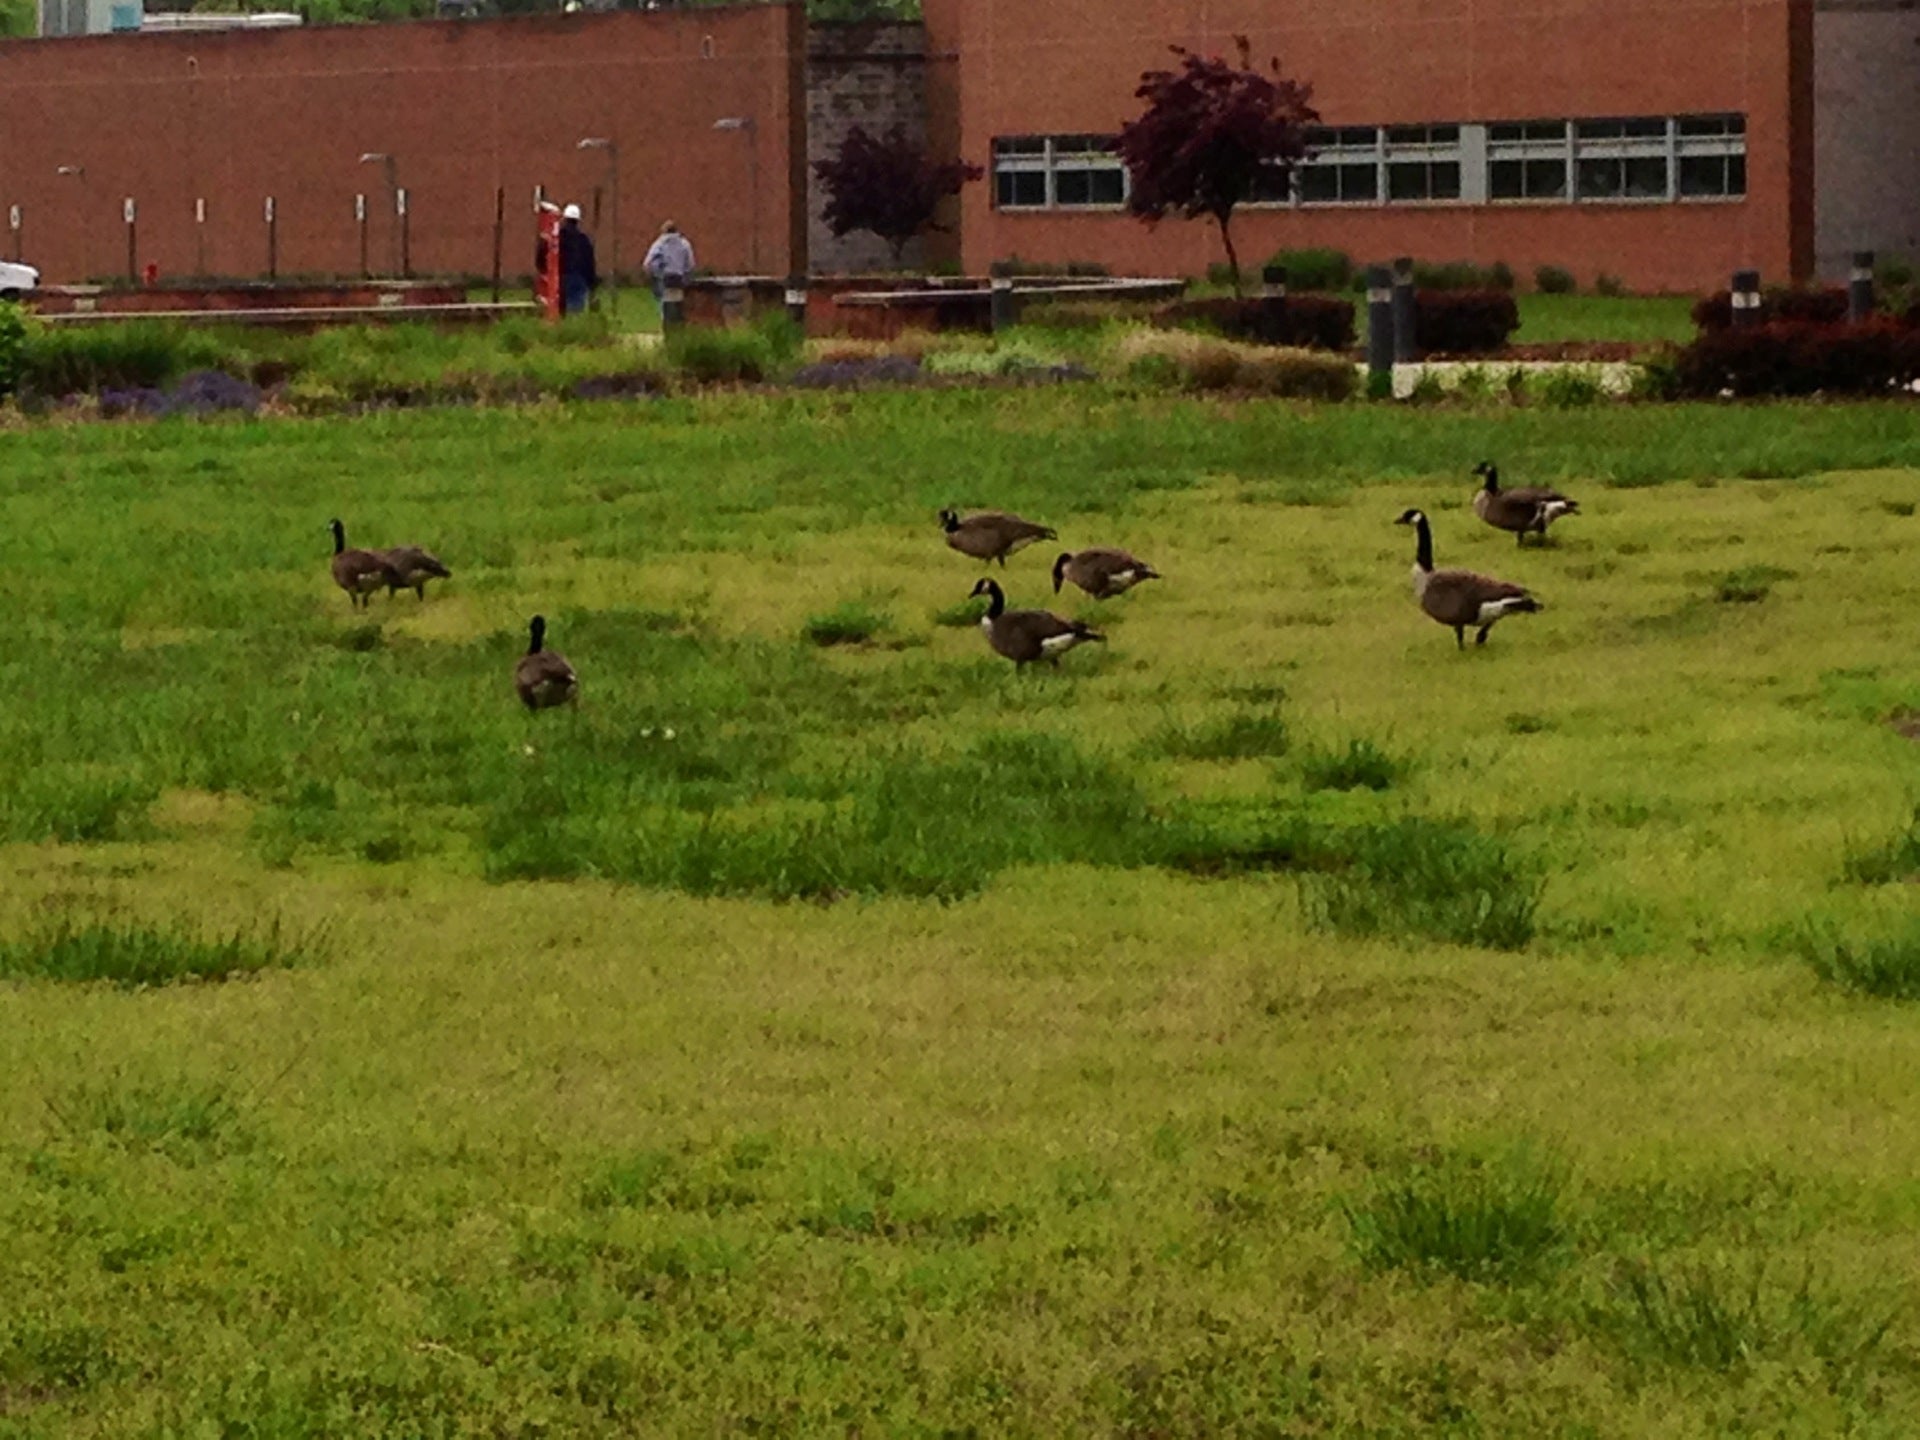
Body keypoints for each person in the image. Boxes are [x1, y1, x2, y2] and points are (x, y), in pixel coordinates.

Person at [535, 203, 598, 315]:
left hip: (559, 276)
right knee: (575, 311)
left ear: (564, 218)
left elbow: (542, 253)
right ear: (578, 220)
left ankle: (561, 329)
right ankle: (573, 329)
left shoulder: (556, 237)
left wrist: (543, 270)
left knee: (558, 309)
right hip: (578, 279)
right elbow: (589, 262)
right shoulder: (583, 239)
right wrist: (592, 284)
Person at [643, 220, 695, 301]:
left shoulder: (659, 244)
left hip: (664, 278)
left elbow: (647, 263)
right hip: (679, 279)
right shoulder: (685, 243)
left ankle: (663, 308)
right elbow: (691, 264)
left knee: (663, 301)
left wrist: (652, 274)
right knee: (679, 300)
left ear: (663, 231)